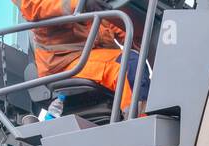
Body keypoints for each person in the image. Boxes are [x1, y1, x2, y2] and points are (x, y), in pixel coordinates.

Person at [15, 0, 145, 111]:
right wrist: (80, 3)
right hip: (66, 60)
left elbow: (115, 21)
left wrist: (145, 34)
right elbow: (33, 6)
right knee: (127, 66)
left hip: (95, 54)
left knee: (135, 60)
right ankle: (140, 127)